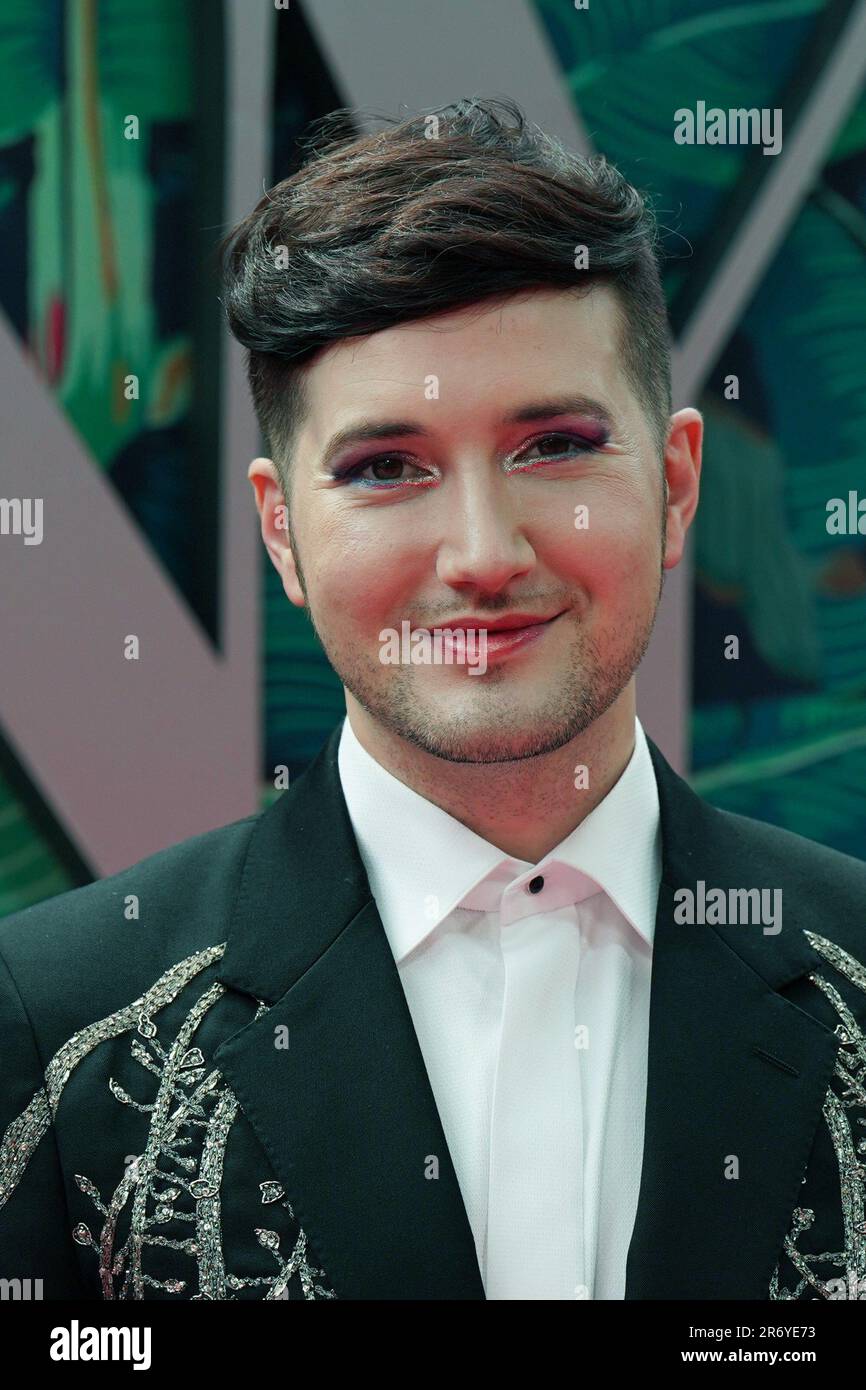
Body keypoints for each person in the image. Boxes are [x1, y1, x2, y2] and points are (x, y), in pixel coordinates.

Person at [1, 96, 865, 1302]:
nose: (480, 553)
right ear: (281, 530)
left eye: (554, 445)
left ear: (674, 488)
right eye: (384, 468)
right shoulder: (52, 1026)